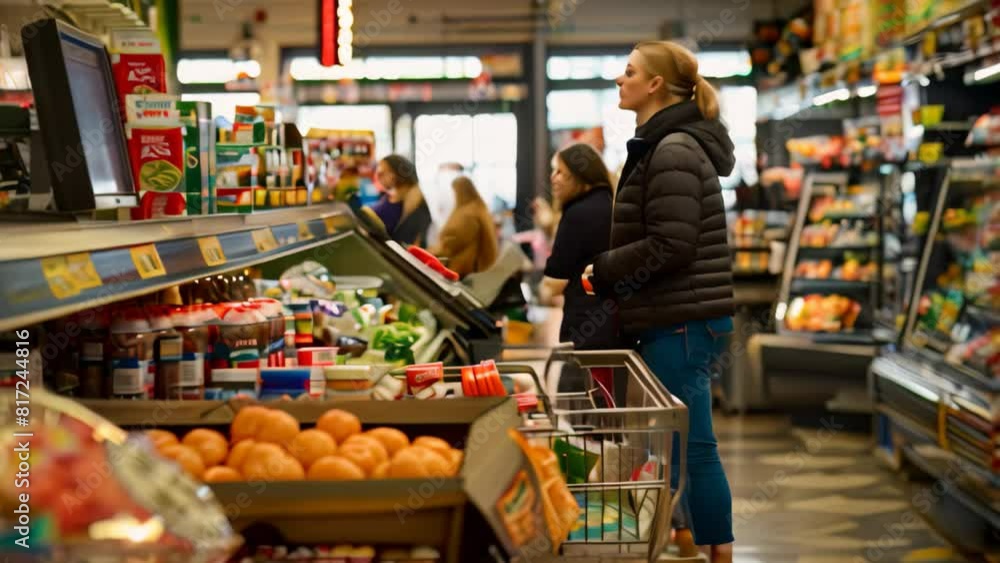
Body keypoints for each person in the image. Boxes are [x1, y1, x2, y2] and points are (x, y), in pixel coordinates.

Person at [582, 40, 737, 563]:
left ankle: (713, 552)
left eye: (629, 72)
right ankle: (695, 545)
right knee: (681, 444)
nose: (619, 81)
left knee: (688, 446)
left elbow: (673, 243)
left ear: (654, 86)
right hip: (680, 316)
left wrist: (603, 271)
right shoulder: (663, 143)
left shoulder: (671, 148)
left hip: (681, 320)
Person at [540, 143, 618, 398]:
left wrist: (544, 291)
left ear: (580, 175)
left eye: (560, 172)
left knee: (586, 420)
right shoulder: (610, 204)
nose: (553, 178)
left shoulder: (578, 213)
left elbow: (555, 280)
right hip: (613, 330)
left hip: (588, 330)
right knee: (609, 419)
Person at [428, 176, 499, 277]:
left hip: (461, 269)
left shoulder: (469, 214)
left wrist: (432, 251)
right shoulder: (478, 208)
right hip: (470, 266)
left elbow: (454, 243)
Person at [374, 155, 432, 246]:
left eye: (382, 173)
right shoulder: (393, 196)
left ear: (395, 174)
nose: (378, 177)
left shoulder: (414, 204)